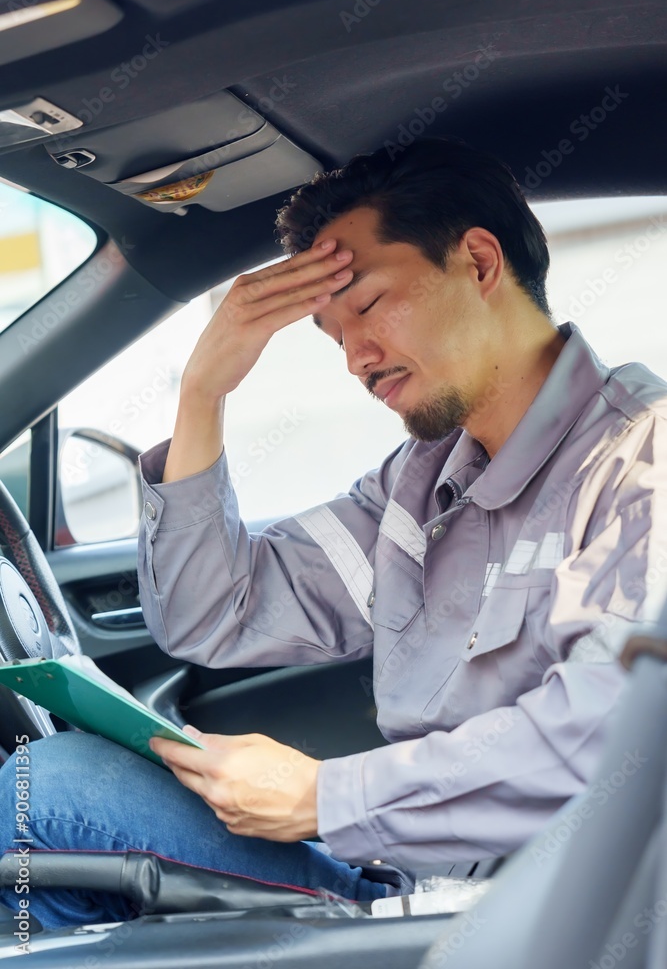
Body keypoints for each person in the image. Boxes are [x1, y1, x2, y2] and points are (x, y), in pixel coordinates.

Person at [2, 138, 667, 931]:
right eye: (329, 333)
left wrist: (324, 796)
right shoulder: (418, 483)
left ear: (480, 264)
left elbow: (604, 746)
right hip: (403, 884)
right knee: (51, 818)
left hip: (532, 919)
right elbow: (216, 615)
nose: (354, 357)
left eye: (366, 304)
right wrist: (203, 393)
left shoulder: (640, 465)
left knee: (49, 805)